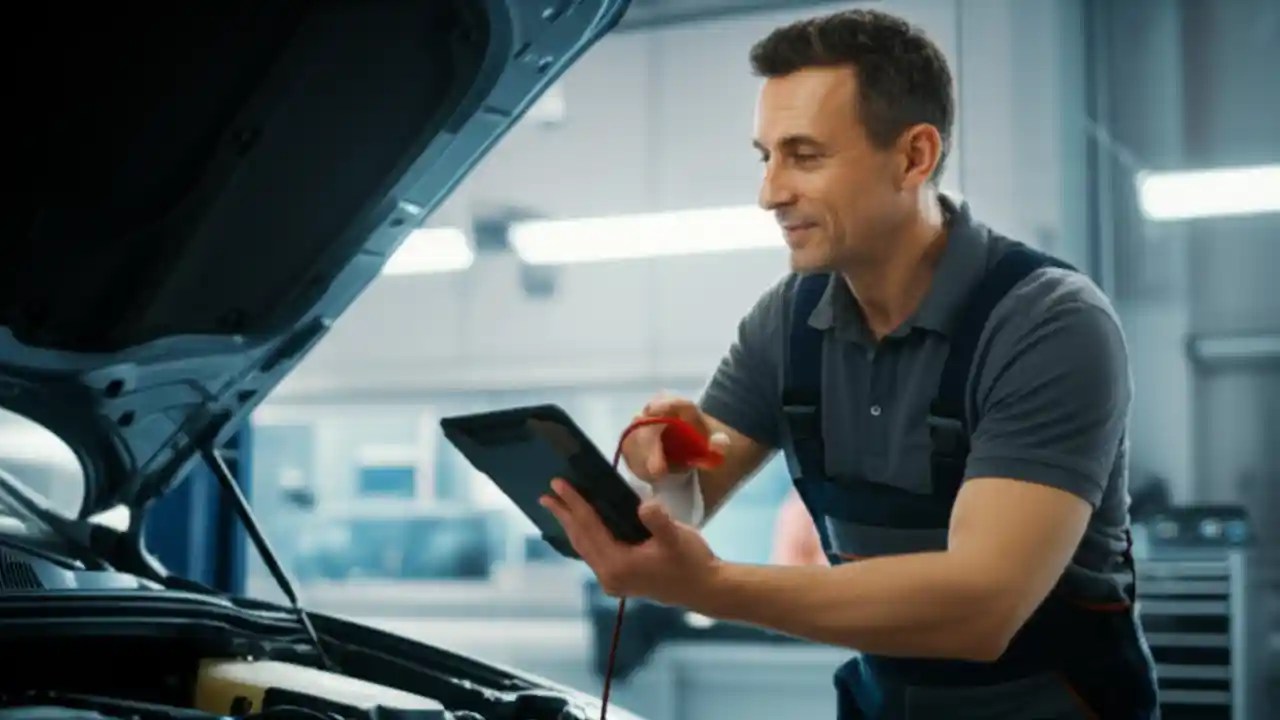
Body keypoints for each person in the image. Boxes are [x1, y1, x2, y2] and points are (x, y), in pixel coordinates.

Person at [540, 8, 1160, 719]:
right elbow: (688, 504)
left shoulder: (1046, 324)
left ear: (913, 157)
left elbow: (980, 611)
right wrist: (670, 468)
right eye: (765, 155)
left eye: (804, 156)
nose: (769, 192)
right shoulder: (788, 322)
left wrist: (707, 587)